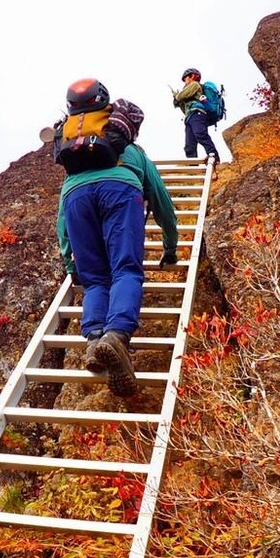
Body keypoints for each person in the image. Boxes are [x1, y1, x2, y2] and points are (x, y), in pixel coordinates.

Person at [53, 79, 180, 397]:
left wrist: (69, 257)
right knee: (125, 269)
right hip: (120, 191)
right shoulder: (133, 151)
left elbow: (61, 216)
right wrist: (170, 244)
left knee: (95, 279)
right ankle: (117, 337)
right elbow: (161, 199)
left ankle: (95, 339)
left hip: (76, 199)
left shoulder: (72, 156)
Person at [172, 67, 221, 164]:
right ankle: (192, 164)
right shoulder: (189, 88)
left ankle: (213, 155)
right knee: (189, 145)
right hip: (189, 116)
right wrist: (178, 100)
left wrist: (177, 96)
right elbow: (182, 106)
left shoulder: (194, 84)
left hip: (197, 113)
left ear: (192, 76)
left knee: (200, 134)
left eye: (185, 78)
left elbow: (181, 96)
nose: (185, 81)